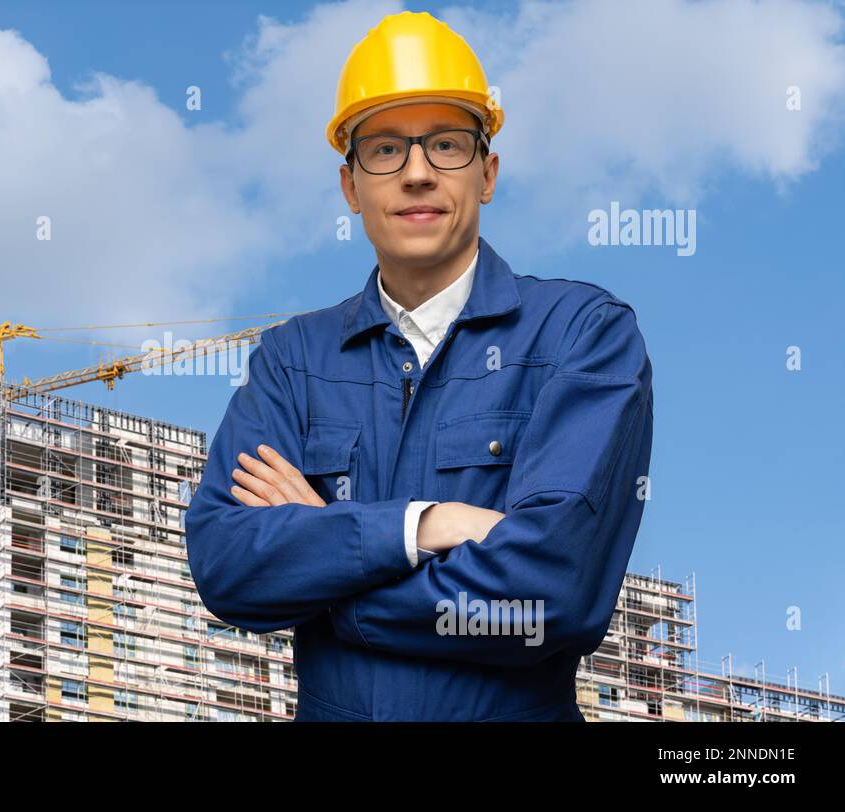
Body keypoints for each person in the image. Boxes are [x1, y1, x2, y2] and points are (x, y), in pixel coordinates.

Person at [183, 10, 653, 721]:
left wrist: (332, 568)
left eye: (446, 145)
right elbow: (228, 566)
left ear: (488, 173)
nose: (417, 174)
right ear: (350, 188)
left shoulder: (582, 337)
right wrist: (422, 526)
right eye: (385, 150)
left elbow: (553, 595)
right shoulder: (292, 361)